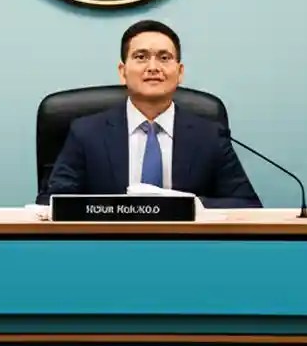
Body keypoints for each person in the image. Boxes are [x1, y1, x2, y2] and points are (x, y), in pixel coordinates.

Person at [39, 19, 261, 208]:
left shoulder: (210, 135)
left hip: (186, 243)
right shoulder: (86, 133)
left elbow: (247, 204)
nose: (153, 67)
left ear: (180, 72)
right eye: (141, 57)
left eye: (164, 58)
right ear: (123, 72)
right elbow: (51, 202)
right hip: (110, 242)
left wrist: (189, 208)